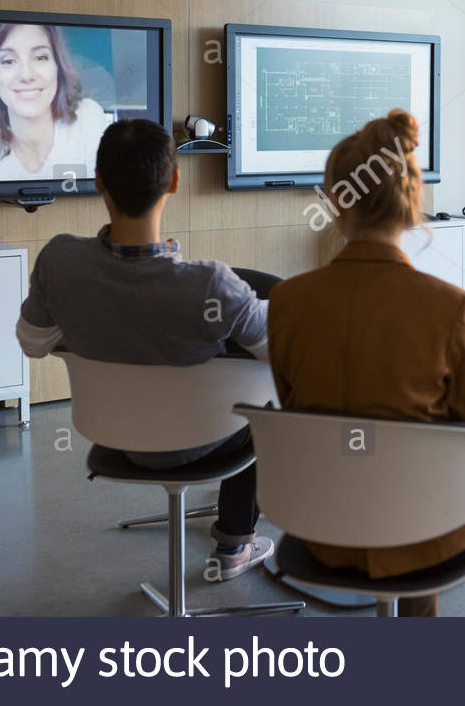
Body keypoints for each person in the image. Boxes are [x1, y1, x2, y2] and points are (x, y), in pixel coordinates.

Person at [15, 119, 274, 581]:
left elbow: (33, 343)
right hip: (204, 438)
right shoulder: (211, 284)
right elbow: (282, 354)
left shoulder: (58, 260)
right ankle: (235, 544)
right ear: (175, 180)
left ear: (98, 182)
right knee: (267, 410)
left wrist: (101, 328)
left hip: (116, 433)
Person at [266, 109, 465, 618]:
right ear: (412, 199)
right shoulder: (453, 308)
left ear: (333, 201)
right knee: (439, 484)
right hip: (425, 531)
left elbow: (296, 408)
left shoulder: (286, 301)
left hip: (321, 525)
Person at [0, 22, 110, 182]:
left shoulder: (88, 118)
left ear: (58, 68)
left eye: (40, 57)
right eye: (8, 61)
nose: (26, 75)